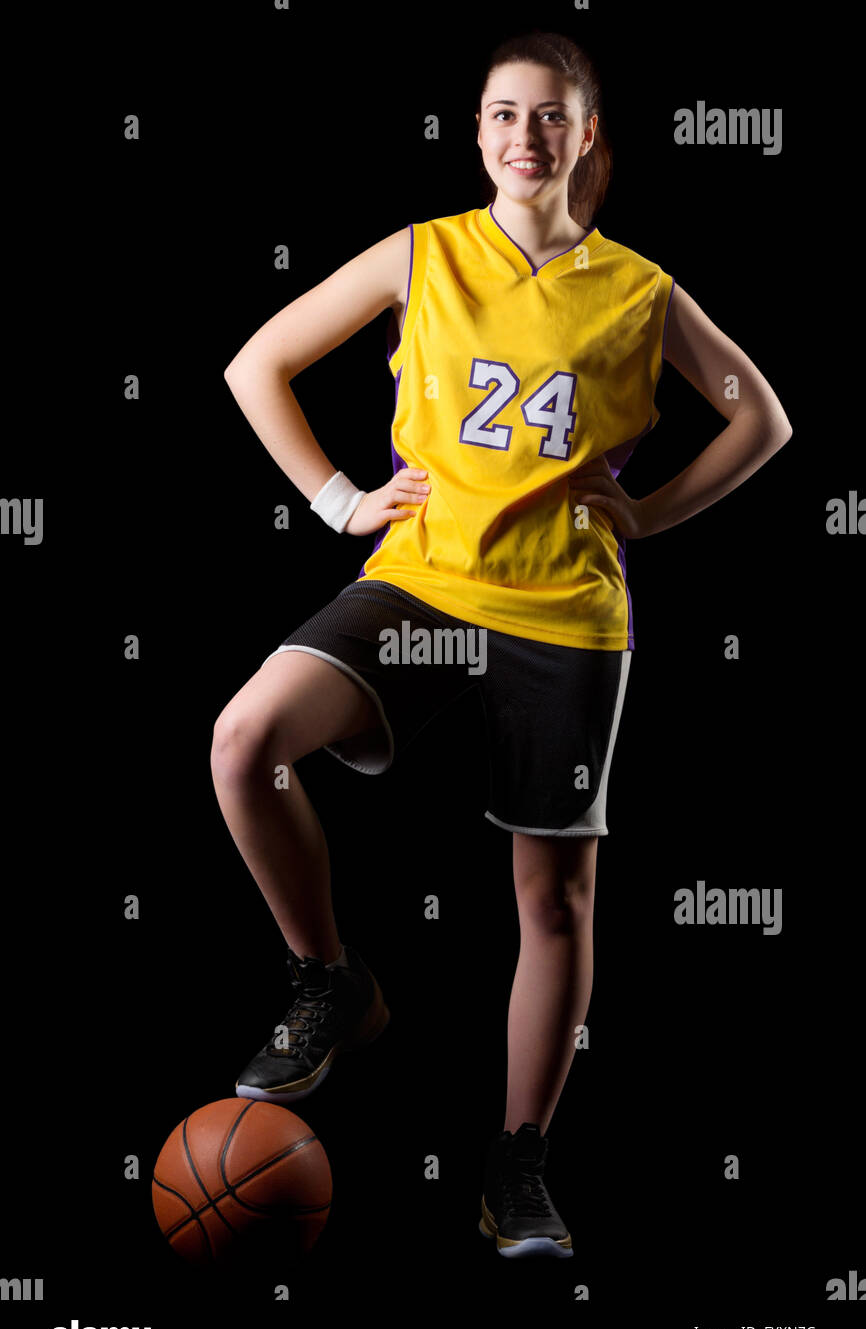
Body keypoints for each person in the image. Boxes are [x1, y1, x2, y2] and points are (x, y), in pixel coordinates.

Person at [213, 31, 792, 1259]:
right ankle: (331, 980)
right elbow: (254, 363)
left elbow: (762, 419)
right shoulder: (421, 254)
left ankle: (515, 1164)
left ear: (587, 140)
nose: (523, 136)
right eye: (499, 115)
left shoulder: (635, 290)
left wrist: (647, 511)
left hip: (562, 616)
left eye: (549, 117)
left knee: (555, 900)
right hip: (419, 586)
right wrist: (336, 500)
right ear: (476, 134)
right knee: (244, 738)